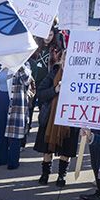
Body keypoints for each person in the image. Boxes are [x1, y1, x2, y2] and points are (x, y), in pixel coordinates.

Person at [33, 45, 77, 186]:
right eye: (65, 57)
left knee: (66, 149)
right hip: (50, 117)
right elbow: (40, 93)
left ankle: (61, 176)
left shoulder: (80, 75)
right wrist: (55, 89)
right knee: (47, 149)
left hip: (70, 118)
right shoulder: (54, 72)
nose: (67, 61)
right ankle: (45, 174)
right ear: (61, 58)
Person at [0, 60, 32, 170]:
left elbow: (27, 81)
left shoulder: (24, 64)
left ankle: (13, 161)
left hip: (15, 103)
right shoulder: (0, 65)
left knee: (14, 132)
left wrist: (19, 65)